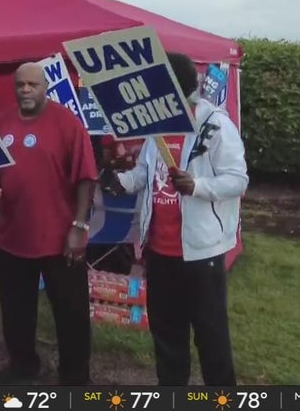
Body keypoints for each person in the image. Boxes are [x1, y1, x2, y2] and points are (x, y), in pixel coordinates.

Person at [100, 52, 248, 386]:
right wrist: (117, 182)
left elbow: (238, 180)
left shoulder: (217, 126)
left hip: (201, 251)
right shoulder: (157, 129)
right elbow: (144, 176)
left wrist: (197, 186)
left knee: (210, 332)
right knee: (167, 333)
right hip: (160, 250)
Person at [0, 62, 98, 385]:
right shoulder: (2, 122)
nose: (26, 90)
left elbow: (87, 178)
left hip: (59, 238)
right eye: (20, 85)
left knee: (71, 312)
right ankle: (23, 365)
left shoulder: (66, 122)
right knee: (16, 310)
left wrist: (79, 226)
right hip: (13, 235)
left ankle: (75, 376)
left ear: (45, 86)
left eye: (33, 84)